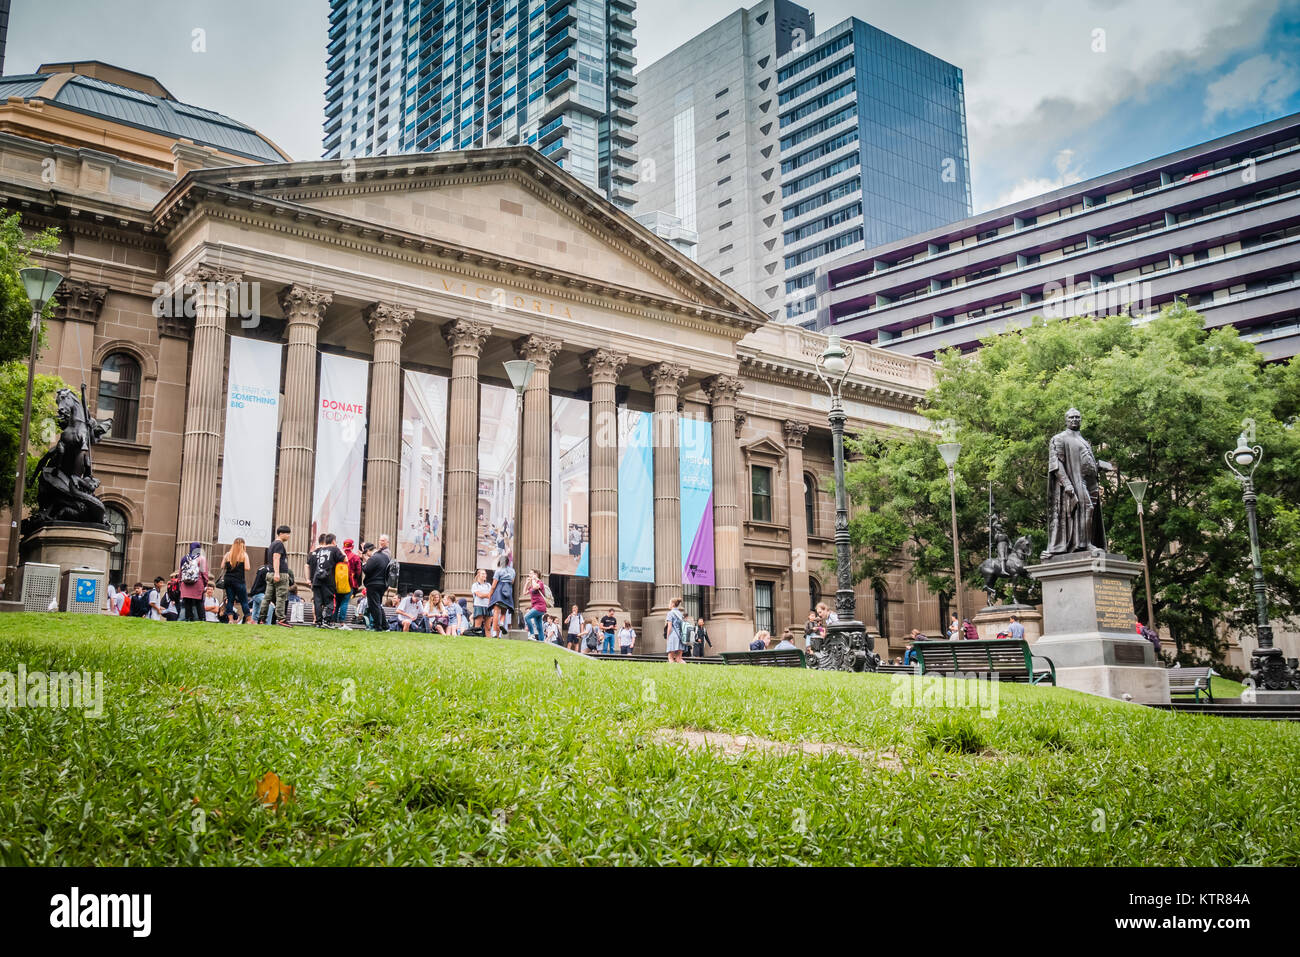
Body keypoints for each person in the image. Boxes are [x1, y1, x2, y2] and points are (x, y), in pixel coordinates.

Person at [308, 534, 346, 629]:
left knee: (317, 601)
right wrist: (339, 549)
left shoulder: (318, 550)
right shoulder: (334, 549)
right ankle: (327, 621)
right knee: (330, 600)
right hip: (328, 579)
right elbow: (345, 559)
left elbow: (310, 564)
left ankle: (318, 622)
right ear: (333, 541)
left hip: (317, 578)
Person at [362, 537, 392, 632]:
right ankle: (385, 626)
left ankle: (378, 626)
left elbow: (366, 569)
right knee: (378, 605)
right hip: (382, 584)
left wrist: (364, 562)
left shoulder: (374, 557)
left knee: (374, 606)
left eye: (367, 553)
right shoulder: (385, 557)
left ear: (369, 551)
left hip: (373, 584)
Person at [265, 525, 293, 626]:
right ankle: (281, 619)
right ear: (281, 534)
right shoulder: (279, 544)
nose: (289, 536)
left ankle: (261, 618)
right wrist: (277, 573)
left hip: (271, 573)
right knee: (281, 597)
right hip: (278, 573)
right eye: (287, 533)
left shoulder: (273, 544)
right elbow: (276, 558)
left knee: (267, 598)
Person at [220, 538, 251, 623]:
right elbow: (247, 567)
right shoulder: (244, 555)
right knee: (244, 600)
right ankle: (248, 620)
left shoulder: (228, 554)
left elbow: (222, 566)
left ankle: (230, 620)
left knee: (230, 600)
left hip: (228, 580)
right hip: (239, 581)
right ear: (243, 545)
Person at [178, 542, 208, 622]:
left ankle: (188, 618)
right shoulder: (201, 558)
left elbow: (180, 571)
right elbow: (204, 572)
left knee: (187, 602)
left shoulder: (184, 558)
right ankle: (202, 618)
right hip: (198, 583)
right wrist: (206, 582)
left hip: (186, 583)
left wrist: (180, 581)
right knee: (199, 601)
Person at [487, 554, 515, 638]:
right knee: (503, 612)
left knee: (496, 612)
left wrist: (490, 595)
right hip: (508, 592)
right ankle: (502, 623)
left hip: (499, 591)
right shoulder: (512, 571)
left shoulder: (498, 571)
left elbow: (493, 585)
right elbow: (512, 582)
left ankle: (495, 632)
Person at [337, 538, 364, 624]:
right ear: (352, 546)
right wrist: (355, 578)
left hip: (339, 581)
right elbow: (359, 571)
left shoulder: (339, 556)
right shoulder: (355, 557)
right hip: (350, 582)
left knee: (337, 602)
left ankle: (333, 620)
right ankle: (341, 621)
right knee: (345, 602)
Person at [522, 570, 547, 640]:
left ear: (536, 575)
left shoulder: (540, 583)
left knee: (526, 617)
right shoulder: (531, 586)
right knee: (539, 627)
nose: (529, 574)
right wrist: (527, 583)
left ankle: (532, 634)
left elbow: (536, 587)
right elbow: (524, 593)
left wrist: (533, 579)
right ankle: (542, 642)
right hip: (535, 606)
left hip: (540, 606)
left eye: (531, 573)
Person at [664, 597, 686, 664]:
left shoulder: (670, 613)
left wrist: (667, 637)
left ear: (673, 604)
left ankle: (671, 672)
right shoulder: (680, 613)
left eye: (669, 603)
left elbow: (669, 627)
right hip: (681, 637)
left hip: (673, 636)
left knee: (670, 657)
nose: (669, 604)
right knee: (679, 658)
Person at [249, 560, 271, 624]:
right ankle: (267, 624)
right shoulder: (267, 570)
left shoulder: (262, 568)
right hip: (259, 593)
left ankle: (254, 622)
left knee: (256, 610)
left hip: (255, 592)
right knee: (269, 606)